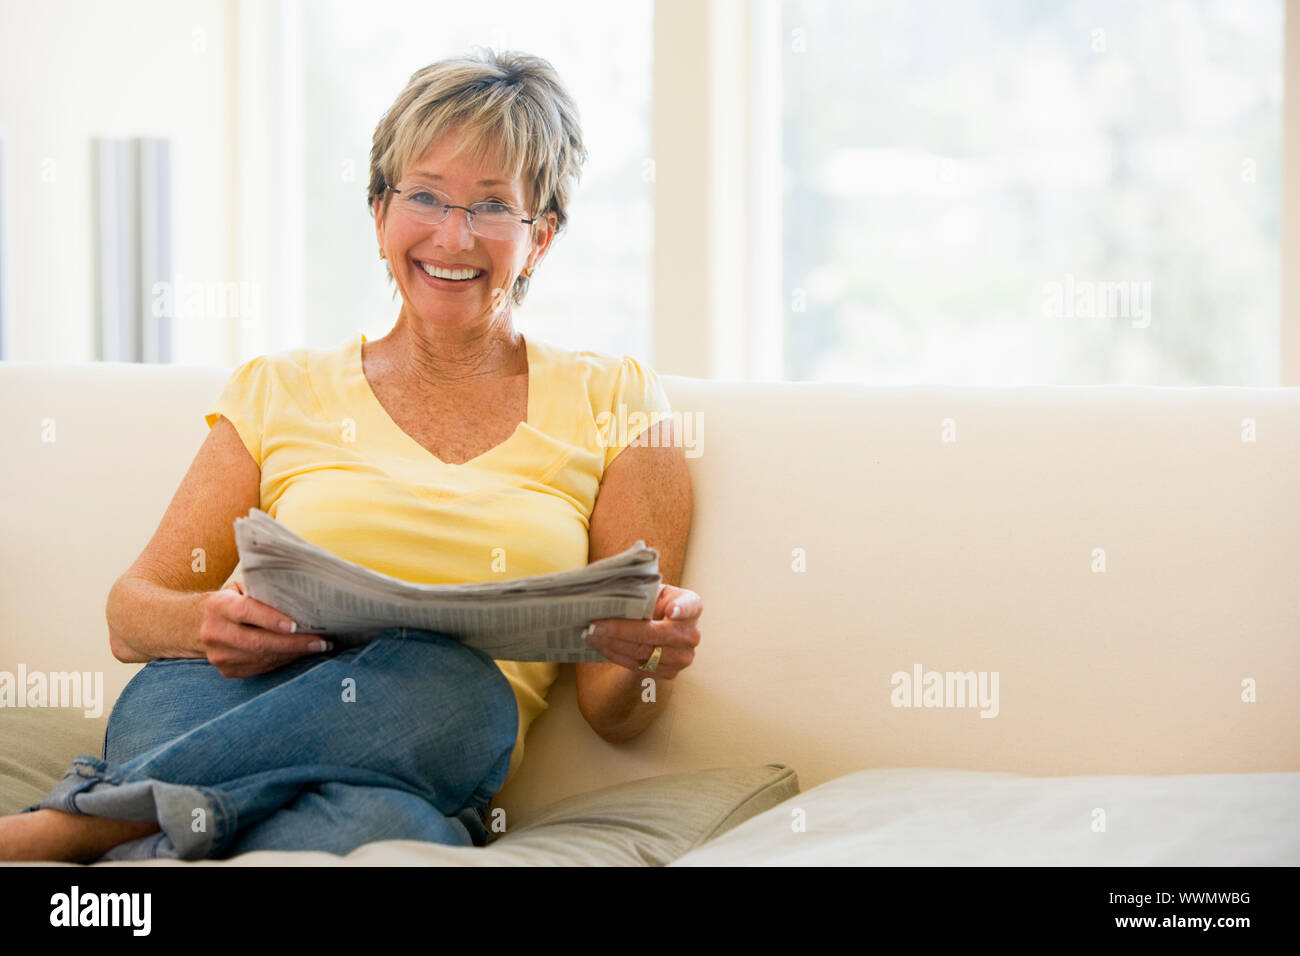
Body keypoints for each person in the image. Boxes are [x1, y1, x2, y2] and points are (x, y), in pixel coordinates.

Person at [0, 49, 701, 863]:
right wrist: (207, 621)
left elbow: (618, 710)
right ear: (378, 213)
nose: (452, 235)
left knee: (447, 726)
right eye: (426, 196)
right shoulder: (283, 388)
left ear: (540, 236)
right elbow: (130, 615)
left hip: (425, 735)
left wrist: (653, 655)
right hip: (211, 703)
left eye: (491, 207)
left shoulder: (619, 402)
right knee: (396, 834)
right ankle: (116, 824)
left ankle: (91, 832)